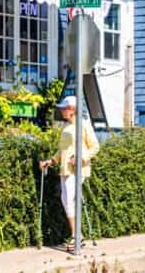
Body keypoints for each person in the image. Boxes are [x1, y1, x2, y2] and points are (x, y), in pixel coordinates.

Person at [39, 95, 100, 251]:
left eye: (64, 108)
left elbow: (95, 147)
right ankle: (77, 235)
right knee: (66, 200)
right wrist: (50, 162)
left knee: (68, 200)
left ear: (72, 109)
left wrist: (80, 158)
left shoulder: (84, 125)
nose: (62, 111)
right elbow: (61, 151)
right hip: (65, 169)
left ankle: (76, 236)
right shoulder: (66, 127)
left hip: (78, 170)